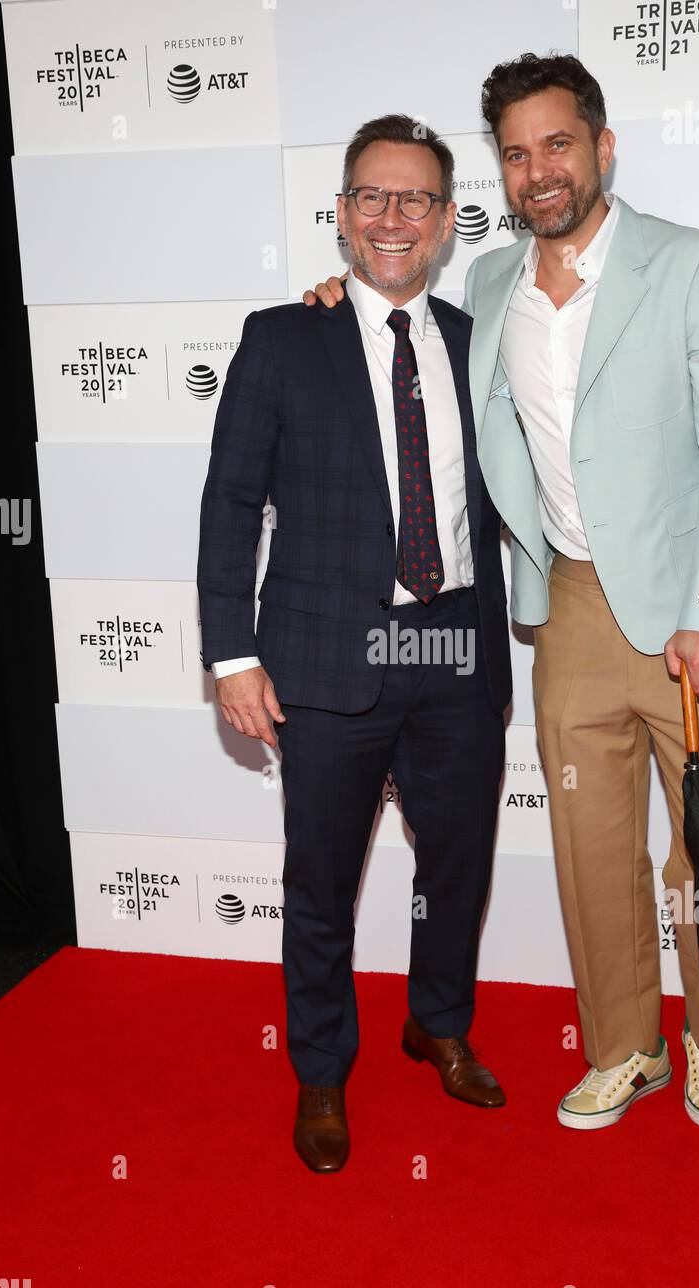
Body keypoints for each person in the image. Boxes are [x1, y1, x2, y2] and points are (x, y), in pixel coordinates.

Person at [303, 53, 699, 1133]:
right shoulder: (484, 285)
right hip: (564, 603)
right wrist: (332, 306)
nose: (537, 171)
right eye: (515, 154)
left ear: (602, 148)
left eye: (557, 144)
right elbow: (399, 354)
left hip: (686, 617)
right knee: (589, 847)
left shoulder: (692, 265)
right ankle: (623, 1048)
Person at [197, 114, 512, 1174]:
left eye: (414, 199)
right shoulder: (281, 338)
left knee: (457, 862)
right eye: (371, 197)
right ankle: (322, 1073)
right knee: (321, 880)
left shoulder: (479, 344)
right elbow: (230, 502)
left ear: (445, 221)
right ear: (340, 214)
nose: (391, 218)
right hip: (329, 659)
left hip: (456, 653)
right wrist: (230, 653)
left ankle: (436, 1022)